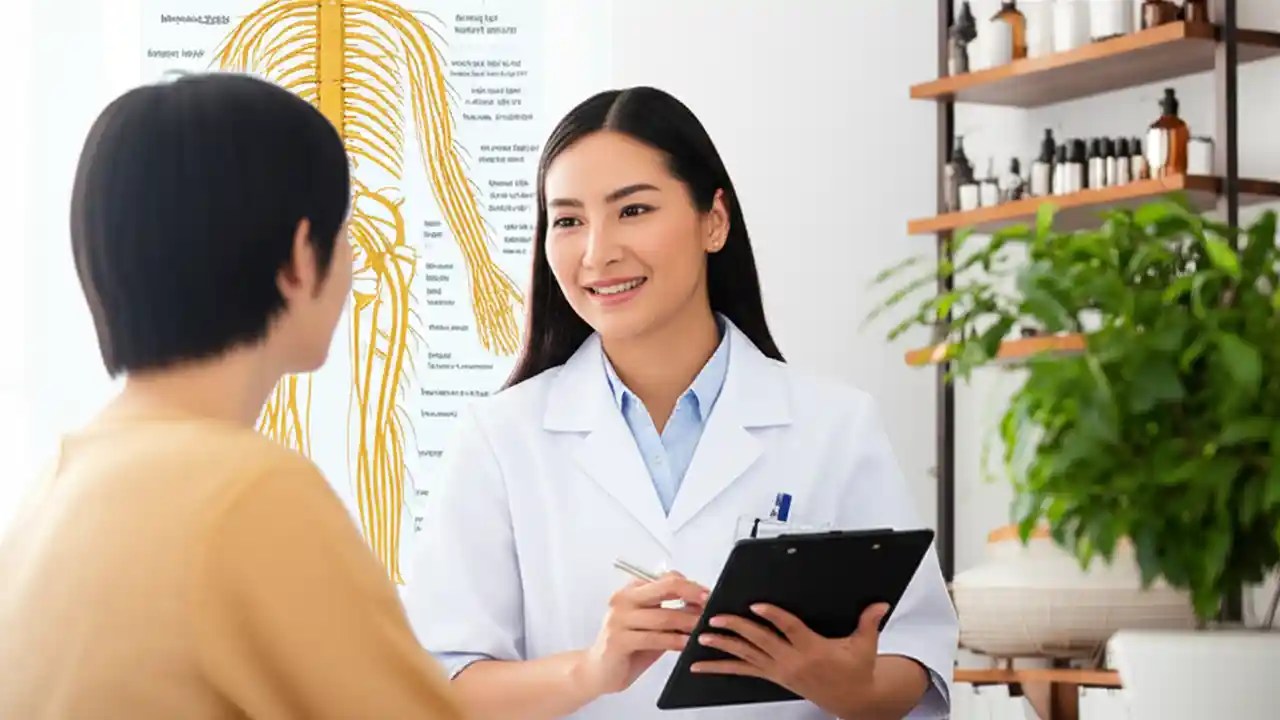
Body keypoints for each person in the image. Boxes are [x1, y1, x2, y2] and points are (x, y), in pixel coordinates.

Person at [404, 86, 958, 719]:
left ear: (713, 221)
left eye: (633, 210)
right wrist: (591, 671)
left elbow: (916, 659)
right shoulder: (500, 438)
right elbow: (443, 685)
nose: (597, 251)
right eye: (568, 220)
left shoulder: (834, 424)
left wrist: (837, 681)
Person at [0, 73, 464, 720]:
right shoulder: (251, 495)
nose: (354, 260)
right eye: (344, 230)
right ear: (301, 255)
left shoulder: (56, 483)